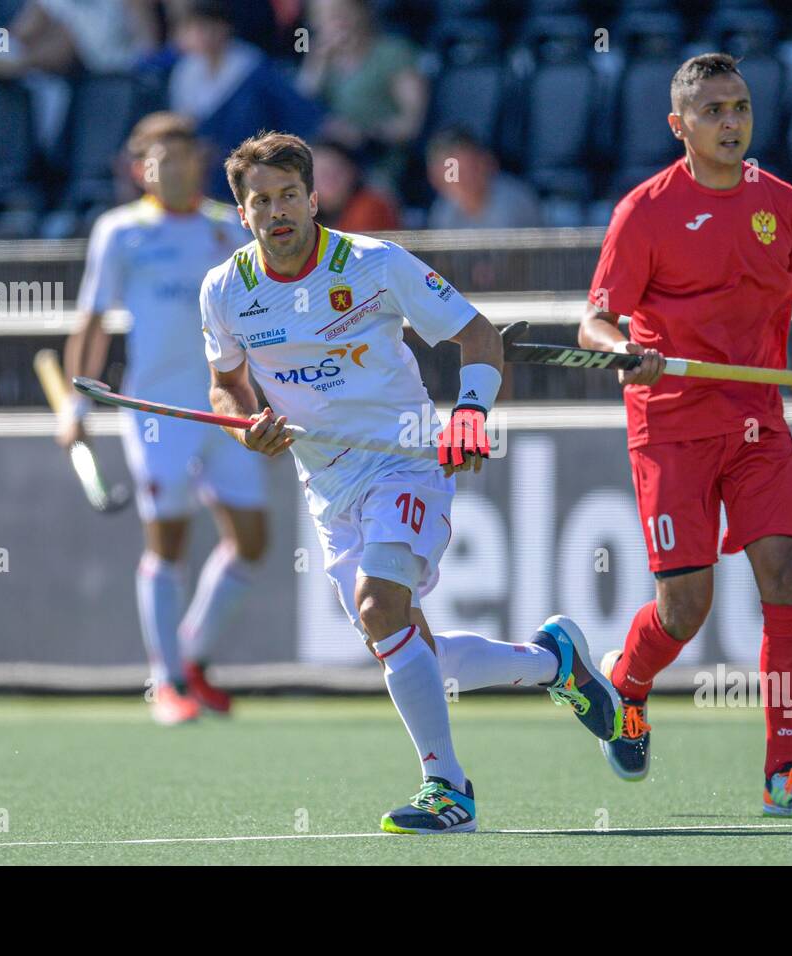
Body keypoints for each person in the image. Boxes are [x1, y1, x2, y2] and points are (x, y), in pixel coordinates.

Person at [201, 131, 621, 833]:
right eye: (259, 201)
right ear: (242, 213)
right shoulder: (225, 290)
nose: (276, 212)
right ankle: (556, 664)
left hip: (406, 461)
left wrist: (469, 415)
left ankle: (447, 789)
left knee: (378, 607)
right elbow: (224, 387)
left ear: (313, 197)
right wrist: (247, 425)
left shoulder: (375, 263)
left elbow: (479, 338)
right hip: (327, 488)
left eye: (288, 196)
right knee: (409, 646)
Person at [578, 54, 792, 817]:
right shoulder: (644, 211)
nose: (732, 122)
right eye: (714, 111)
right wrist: (623, 349)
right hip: (670, 426)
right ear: (680, 126)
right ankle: (627, 685)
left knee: (787, 584)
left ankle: (784, 775)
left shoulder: (782, 203)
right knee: (684, 610)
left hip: (759, 423)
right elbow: (593, 320)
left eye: (740, 107)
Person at [59, 113, 267, 726]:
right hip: (155, 412)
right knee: (169, 541)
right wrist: (76, 408)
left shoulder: (231, 227)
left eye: (181, 155)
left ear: (200, 160)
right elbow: (93, 320)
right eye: (157, 158)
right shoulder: (120, 232)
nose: (170, 167)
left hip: (228, 405)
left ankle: (193, 657)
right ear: (137, 167)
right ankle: (167, 680)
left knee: (252, 542)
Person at [167, 0, 323, 199]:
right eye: (195, 29)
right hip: (208, 153)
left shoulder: (250, 64)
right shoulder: (185, 71)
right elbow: (186, 121)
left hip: (250, 144)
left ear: (225, 28)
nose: (204, 35)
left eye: (210, 27)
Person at [296, 0, 427, 189]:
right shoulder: (322, 63)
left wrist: (365, 133)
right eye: (324, 15)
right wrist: (315, 63)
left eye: (341, 11)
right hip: (331, 163)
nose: (335, 20)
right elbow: (298, 111)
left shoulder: (393, 53)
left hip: (380, 164)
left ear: (361, 10)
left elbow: (412, 124)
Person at [0, 0, 158, 101]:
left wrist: (145, 62)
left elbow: (148, 43)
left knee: (65, 32)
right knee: (20, 29)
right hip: (64, 44)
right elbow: (22, 29)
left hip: (110, 58)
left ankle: (3, 64)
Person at [425, 126, 543, 230]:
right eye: (455, 173)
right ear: (436, 179)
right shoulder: (442, 211)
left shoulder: (514, 203)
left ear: (489, 162)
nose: (465, 180)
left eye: (472, 168)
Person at [311, 138, 402, 231]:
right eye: (320, 174)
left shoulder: (370, 207)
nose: (329, 180)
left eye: (336, 171)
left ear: (352, 171)